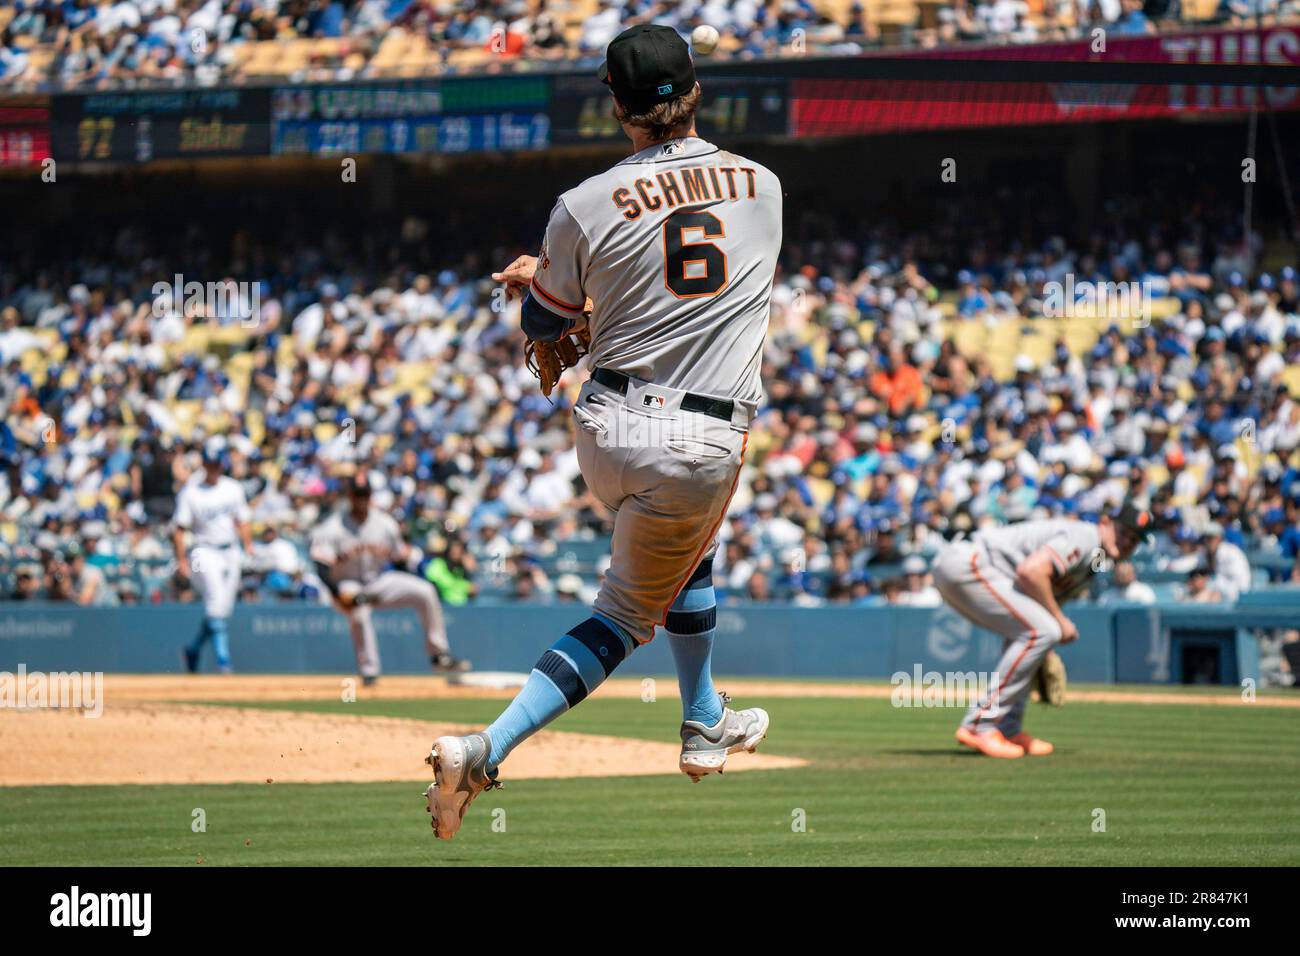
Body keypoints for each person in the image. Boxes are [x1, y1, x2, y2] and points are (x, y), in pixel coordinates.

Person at [423, 23, 783, 840]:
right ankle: (482, 749)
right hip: (696, 439)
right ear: (695, 87)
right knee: (624, 616)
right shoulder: (765, 186)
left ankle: (702, 720)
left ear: (615, 104)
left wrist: (541, 282)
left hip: (606, 430)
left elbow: (545, 322)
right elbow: (696, 291)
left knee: (687, 549)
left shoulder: (580, 204)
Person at [931, 504, 1151, 758]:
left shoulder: (1099, 560)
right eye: (1123, 532)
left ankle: (1008, 729)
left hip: (971, 567)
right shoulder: (1086, 537)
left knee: (1035, 634)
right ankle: (980, 725)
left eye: (1134, 540)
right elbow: (1031, 571)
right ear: (1105, 522)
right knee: (1043, 631)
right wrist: (1059, 621)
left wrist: (1043, 650)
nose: (1127, 542)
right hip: (971, 561)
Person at [309, 473, 469, 685]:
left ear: (370, 495)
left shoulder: (384, 523)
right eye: (357, 495)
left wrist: (407, 579)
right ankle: (369, 672)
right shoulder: (333, 527)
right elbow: (321, 567)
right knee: (359, 612)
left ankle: (439, 655)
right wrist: (338, 593)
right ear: (349, 496)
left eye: (365, 494)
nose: (361, 499)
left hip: (378, 582)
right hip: (347, 583)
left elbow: (400, 557)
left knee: (425, 591)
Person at [174, 446, 252, 674]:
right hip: (203, 551)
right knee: (216, 602)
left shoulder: (233, 488)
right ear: (204, 465)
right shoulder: (191, 492)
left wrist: (248, 544)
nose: (214, 469)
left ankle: (193, 650)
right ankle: (223, 662)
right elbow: (179, 529)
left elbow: (243, 519)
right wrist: (181, 560)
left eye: (218, 464)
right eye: (210, 464)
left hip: (231, 550)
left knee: (221, 610)